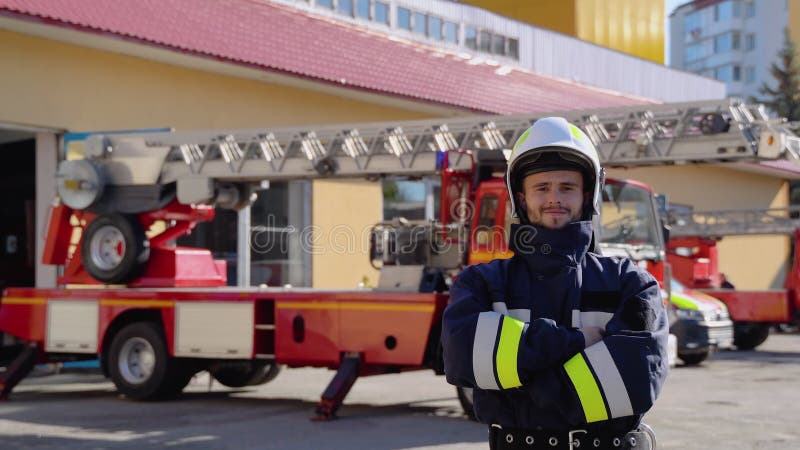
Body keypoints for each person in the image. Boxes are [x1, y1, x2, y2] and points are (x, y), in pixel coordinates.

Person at [441, 117, 668, 450]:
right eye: (542, 188)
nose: (554, 198)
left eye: (567, 187)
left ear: (587, 195)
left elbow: (633, 382)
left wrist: (519, 381)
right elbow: (462, 358)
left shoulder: (631, 284)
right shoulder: (482, 283)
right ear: (521, 197)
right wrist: (577, 341)